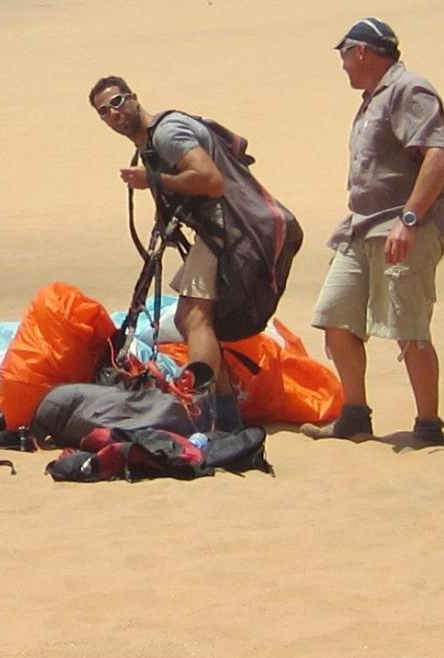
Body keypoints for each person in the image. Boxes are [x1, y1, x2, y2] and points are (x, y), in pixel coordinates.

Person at [89, 76, 302, 419]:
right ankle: (224, 409)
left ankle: (208, 410)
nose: (113, 114)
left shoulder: (167, 134)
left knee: (193, 315)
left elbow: (212, 181)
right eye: (103, 111)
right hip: (223, 229)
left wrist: (154, 180)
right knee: (198, 318)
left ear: (133, 98)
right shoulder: (150, 145)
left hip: (235, 227)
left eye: (117, 102)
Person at [303, 18, 444, 446]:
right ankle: (355, 414)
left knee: (409, 328)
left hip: (405, 226)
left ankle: (429, 425)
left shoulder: (410, 89)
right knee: (335, 316)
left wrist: (409, 220)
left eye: (344, 55)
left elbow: (437, 156)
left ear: (362, 52)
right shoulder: (373, 97)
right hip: (360, 226)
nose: (343, 66)